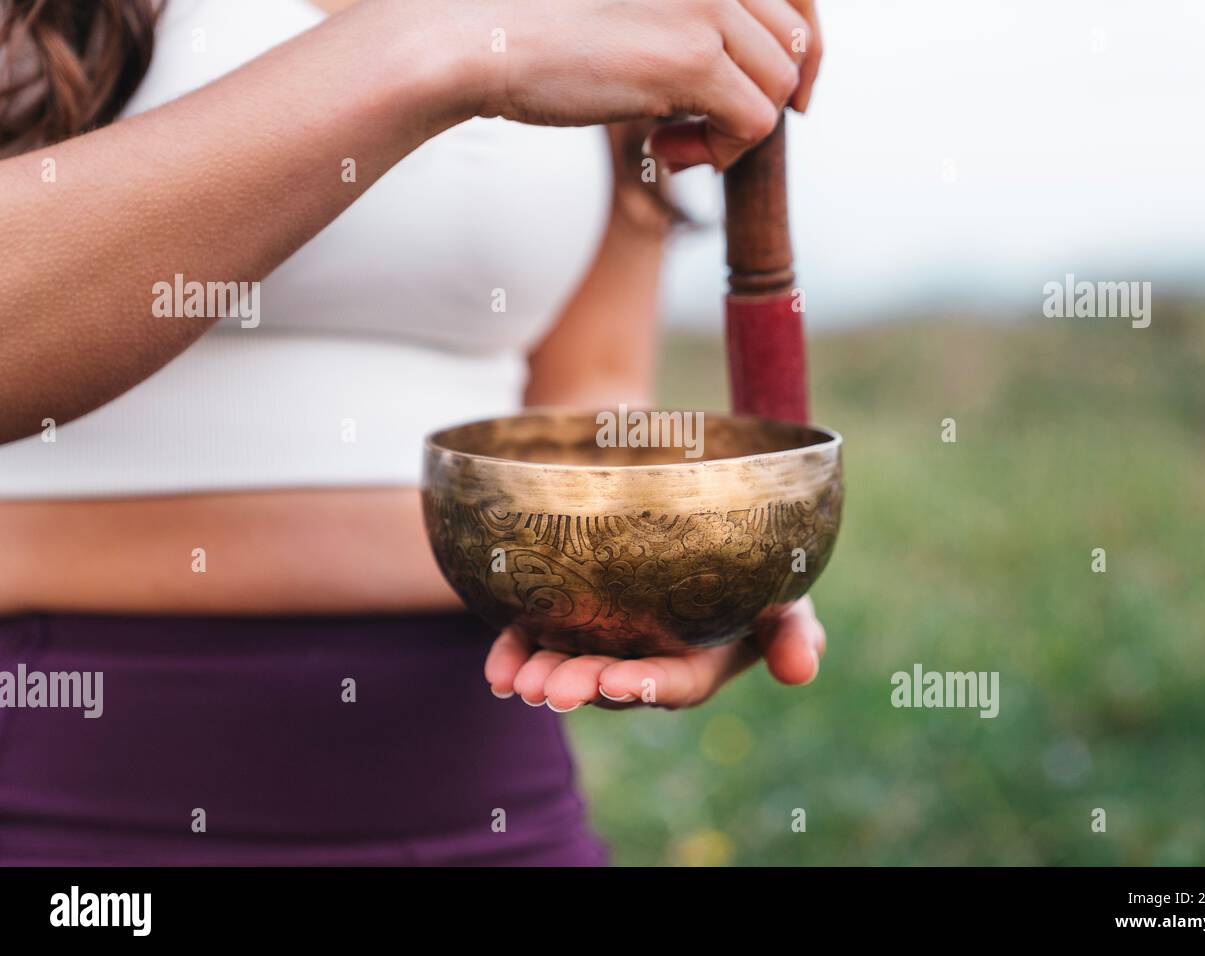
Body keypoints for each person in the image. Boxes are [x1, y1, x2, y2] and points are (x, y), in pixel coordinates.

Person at [0, 0, 826, 865]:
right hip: (57, 773)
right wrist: (441, 46)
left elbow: (585, 401)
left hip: (487, 792)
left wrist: (681, 576)